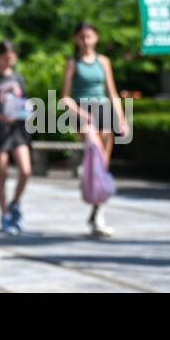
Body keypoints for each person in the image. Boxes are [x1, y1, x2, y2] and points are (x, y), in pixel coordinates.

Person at [60, 22, 126, 237]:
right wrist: (81, 113)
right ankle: (96, 210)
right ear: (76, 40)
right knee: (95, 156)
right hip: (83, 115)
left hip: (103, 112)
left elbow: (112, 93)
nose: (85, 41)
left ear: (96, 38)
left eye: (89, 36)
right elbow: (65, 98)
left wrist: (122, 120)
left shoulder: (103, 62)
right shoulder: (73, 63)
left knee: (103, 167)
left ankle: (98, 212)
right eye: (81, 37)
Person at [0, 40, 32, 235]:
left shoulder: (19, 78)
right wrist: (1, 117)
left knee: (26, 170)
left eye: (10, 54)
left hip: (18, 131)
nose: (7, 57)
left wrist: (28, 108)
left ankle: (15, 203)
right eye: (4, 54)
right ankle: (4, 214)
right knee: (2, 174)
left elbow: (24, 101)